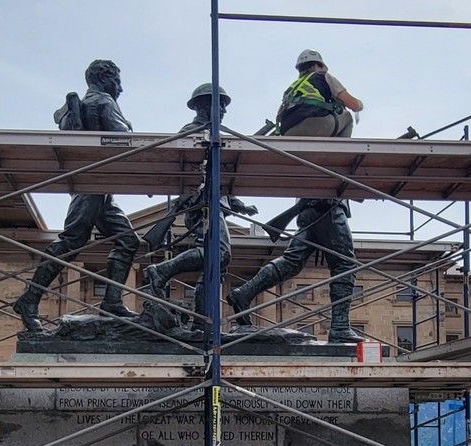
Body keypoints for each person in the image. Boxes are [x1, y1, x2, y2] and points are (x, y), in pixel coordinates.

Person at [226, 50, 364, 344]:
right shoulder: (323, 77)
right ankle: (339, 327)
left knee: (292, 262)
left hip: (308, 195)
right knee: (345, 263)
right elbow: (353, 103)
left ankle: (244, 293)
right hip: (326, 203)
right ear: (319, 65)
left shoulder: (290, 93)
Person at [13, 59, 140, 333]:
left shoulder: (89, 103)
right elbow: (125, 138)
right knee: (72, 242)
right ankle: (29, 299)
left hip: (100, 190)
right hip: (92, 186)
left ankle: (112, 301)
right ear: (104, 79)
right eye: (117, 80)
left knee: (128, 240)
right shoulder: (102, 102)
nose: (121, 87)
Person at [142, 84, 256, 328]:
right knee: (221, 255)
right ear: (204, 105)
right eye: (219, 104)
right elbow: (189, 173)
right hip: (200, 205)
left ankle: (202, 324)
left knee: (215, 270)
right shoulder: (193, 132)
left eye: (225, 104)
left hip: (211, 203)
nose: (224, 110)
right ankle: (162, 270)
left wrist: (239, 205)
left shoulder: (210, 134)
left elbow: (218, 179)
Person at [277, 49, 363, 137]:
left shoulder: (291, 89)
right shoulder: (323, 76)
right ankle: (341, 149)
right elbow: (353, 105)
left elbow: (280, 115)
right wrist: (359, 105)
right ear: (318, 65)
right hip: (314, 124)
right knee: (347, 117)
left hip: (288, 131)